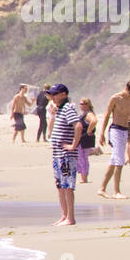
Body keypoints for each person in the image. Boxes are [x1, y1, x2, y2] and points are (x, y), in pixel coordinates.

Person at [97, 80, 130, 199]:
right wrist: (102, 133)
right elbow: (107, 115)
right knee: (119, 160)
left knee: (114, 160)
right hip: (115, 129)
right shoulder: (115, 98)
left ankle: (102, 188)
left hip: (125, 129)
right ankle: (116, 191)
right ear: (126, 89)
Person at [46, 84, 82, 226]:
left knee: (67, 186)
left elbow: (78, 126)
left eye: (55, 94)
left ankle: (70, 217)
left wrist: (73, 145)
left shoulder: (68, 108)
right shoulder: (60, 109)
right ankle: (64, 215)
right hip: (58, 155)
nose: (53, 97)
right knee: (60, 186)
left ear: (63, 94)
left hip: (66, 156)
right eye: (52, 94)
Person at [76, 98, 98, 184]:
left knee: (82, 158)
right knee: (81, 157)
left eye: (82, 104)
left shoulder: (89, 114)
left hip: (85, 139)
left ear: (87, 105)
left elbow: (94, 121)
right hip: (83, 138)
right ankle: (83, 177)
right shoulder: (85, 114)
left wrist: (89, 130)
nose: (80, 105)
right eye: (80, 104)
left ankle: (84, 178)